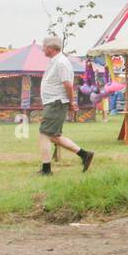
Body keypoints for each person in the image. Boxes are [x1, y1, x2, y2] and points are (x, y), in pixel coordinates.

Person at [37, 35, 94, 176]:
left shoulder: (61, 62)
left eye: (44, 47)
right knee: (53, 136)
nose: (43, 49)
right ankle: (84, 154)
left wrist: (71, 102)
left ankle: (46, 169)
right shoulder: (55, 61)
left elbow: (68, 84)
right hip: (54, 102)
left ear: (51, 48)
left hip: (56, 102)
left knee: (44, 134)